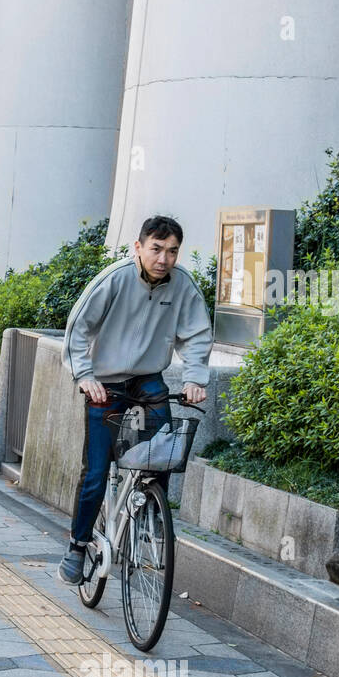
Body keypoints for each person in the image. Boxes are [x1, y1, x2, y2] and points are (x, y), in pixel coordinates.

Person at [57, 214, 213, 585]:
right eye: (156, 249)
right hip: (105, 385)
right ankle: (78, 546)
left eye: (172, 251)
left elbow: (196, 335)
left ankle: (147, 513)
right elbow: (78, 330)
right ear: (138, 247)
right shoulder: (113, 280)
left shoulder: (183, 286)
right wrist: (85, 376)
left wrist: (194, 379)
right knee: (95, 473)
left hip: (147, 381)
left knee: (164, 451)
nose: (164, 259)